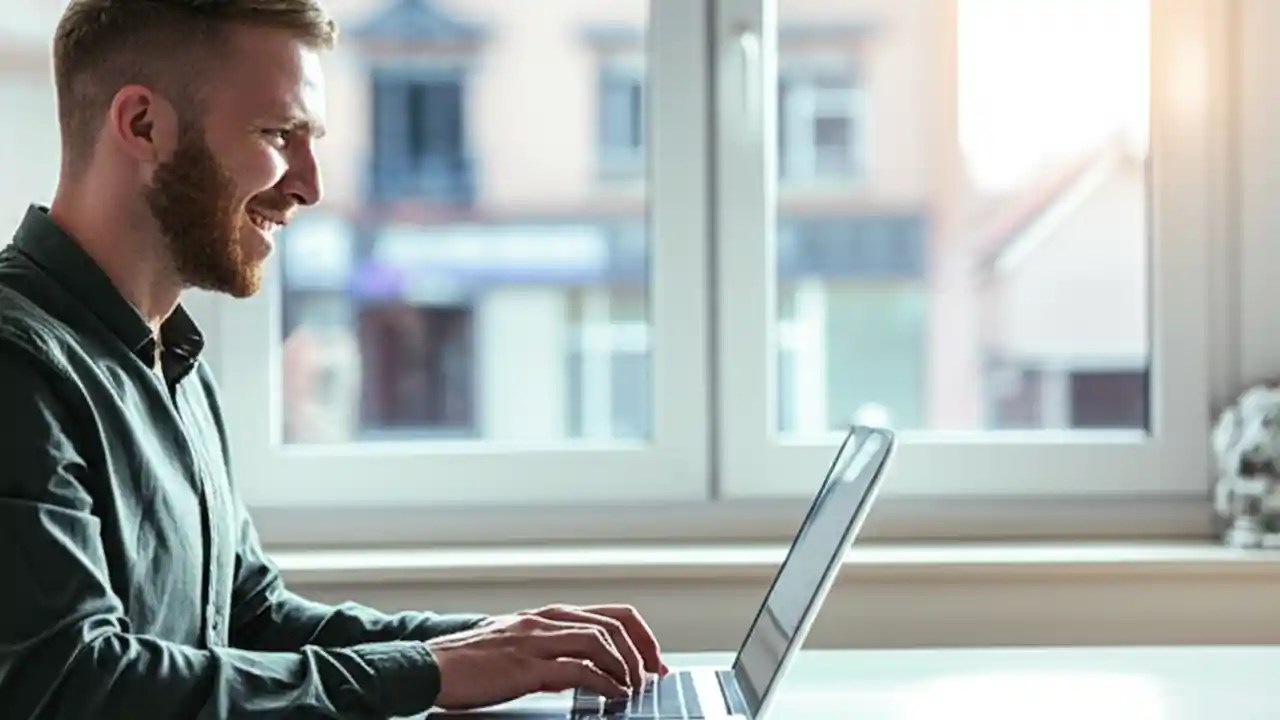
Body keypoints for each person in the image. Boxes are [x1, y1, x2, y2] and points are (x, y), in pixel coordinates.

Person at [0, 1, 666, 717]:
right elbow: (68, 683)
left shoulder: (172, 358)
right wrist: (430, 673)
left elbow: (247, 618)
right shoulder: (18, 363)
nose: (310, 184)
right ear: (142, 125)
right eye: (278, 135)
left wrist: (499, 646)